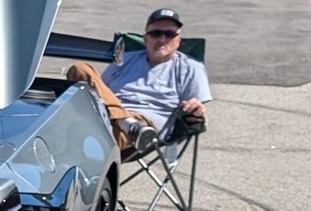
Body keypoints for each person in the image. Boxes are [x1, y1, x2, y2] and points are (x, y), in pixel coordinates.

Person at [65, 8, 211, 150]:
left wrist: (196, 109)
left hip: (147, 127)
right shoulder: (124, 59)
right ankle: (127, 123)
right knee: (80, 68)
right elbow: (100, 88)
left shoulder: (190, 67)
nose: (162, 39)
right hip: (106, 117)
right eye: (155, 33)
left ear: (178, 40)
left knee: (84, 134)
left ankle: (130, 126)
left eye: (169, 34)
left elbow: (196, 108)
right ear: (145, 39)